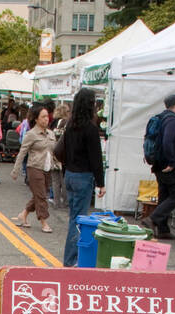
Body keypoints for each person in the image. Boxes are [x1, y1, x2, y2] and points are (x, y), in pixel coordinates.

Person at [61, 87, 106, 267]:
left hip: (70, 174)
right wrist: (101, 183)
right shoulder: (90, 129)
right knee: (79, 220)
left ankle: (71, 257)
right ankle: (71, 259)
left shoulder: (70, 125)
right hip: (82, 176)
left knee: (74, 217)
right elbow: (96, 159)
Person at [142, 93, 175, 240]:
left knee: (165, 194)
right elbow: (168, 141)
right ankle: (153, 219)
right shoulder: (173, 119)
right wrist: (173, 162)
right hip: (168, 164)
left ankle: (162, 229)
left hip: (157, 162)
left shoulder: (160, 117)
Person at [11, 105, 56, 233]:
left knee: (39, 194)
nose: (46, 119)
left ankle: (24, 214)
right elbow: (22, 152)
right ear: (36, 119)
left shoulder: (51, 134)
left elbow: (54, 151)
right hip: (34, 167)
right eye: (43, 117)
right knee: (41, 196)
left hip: (47, 168)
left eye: (47, 116)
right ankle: (44, 221)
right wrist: (16, 170)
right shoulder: (31, 134)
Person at [49, 101, 71, 210]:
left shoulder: (53, 123)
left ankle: (56, 202)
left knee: (55, 180)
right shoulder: (66, 123)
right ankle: (65, 201)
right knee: (63, 179)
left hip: (53, 153)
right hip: (63, 154)